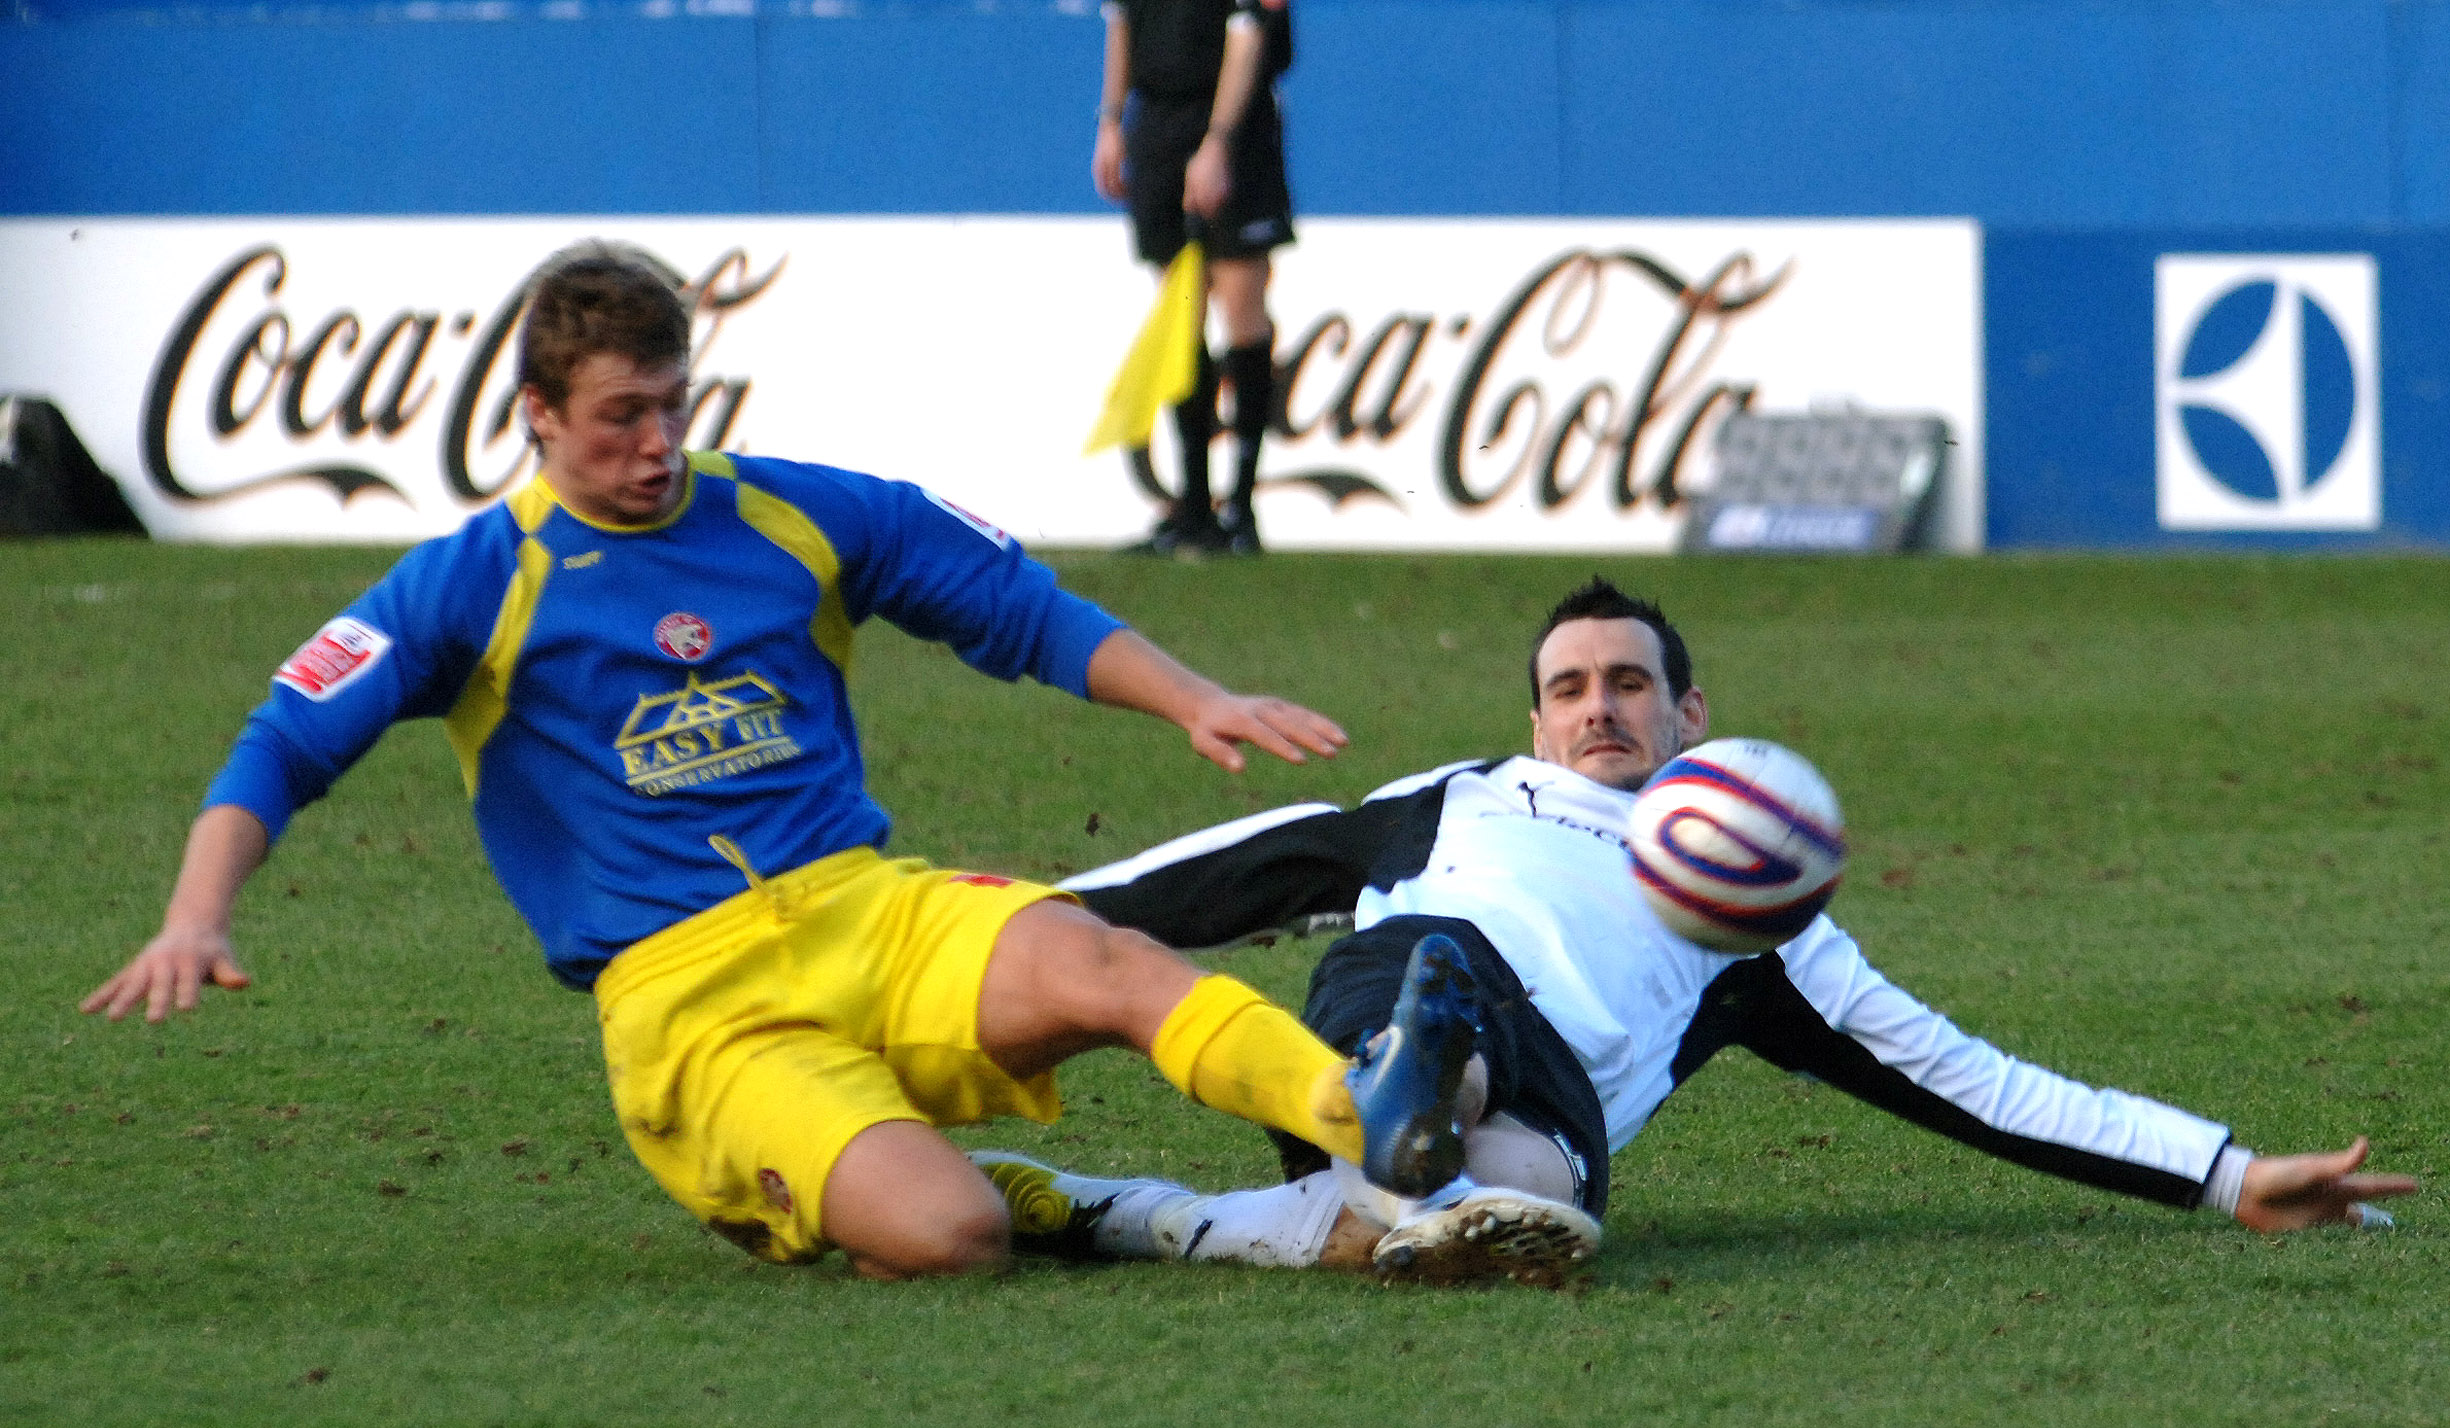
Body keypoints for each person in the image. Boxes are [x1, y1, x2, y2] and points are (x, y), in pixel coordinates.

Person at [78, 241, 1481, 1282]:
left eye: (671, 404)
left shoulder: (784, 515)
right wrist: (198, 915)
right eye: (620, 413)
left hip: (862, 905)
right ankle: (1022, 1192)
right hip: (694, 1007)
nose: (654, 442)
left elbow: (1007, 603)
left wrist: (1190, 697)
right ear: (537, 416)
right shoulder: (470, 583)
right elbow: (285, 738)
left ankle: (1367, 1118)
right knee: (952, 1237)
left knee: (1099, 960)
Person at [974, 577, 2420, 1283]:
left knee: (1494, 1216)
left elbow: (1963, 1075)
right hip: (1393, 997)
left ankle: (1116, 1209)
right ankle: (1423, 1059)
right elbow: (1238, 869)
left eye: (1625, 682)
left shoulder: (1762, 921)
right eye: (1567, 687)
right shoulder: (1468, 799)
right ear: (1531, 719)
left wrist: (2220, 1171)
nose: (1595, 705)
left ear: (1687, 715)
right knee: (1443, 983)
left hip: (1532, 1132)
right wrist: (1024, 918)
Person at [1093, 0, 1294, 558]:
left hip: (1237, 127)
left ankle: (1242, 505)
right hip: (1156, 123)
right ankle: (1194, 506)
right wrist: (1111, 120)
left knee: (1241, 302)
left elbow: (1248, 33)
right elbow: (1121, 23)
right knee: (1181, 312)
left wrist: (1219, 140)